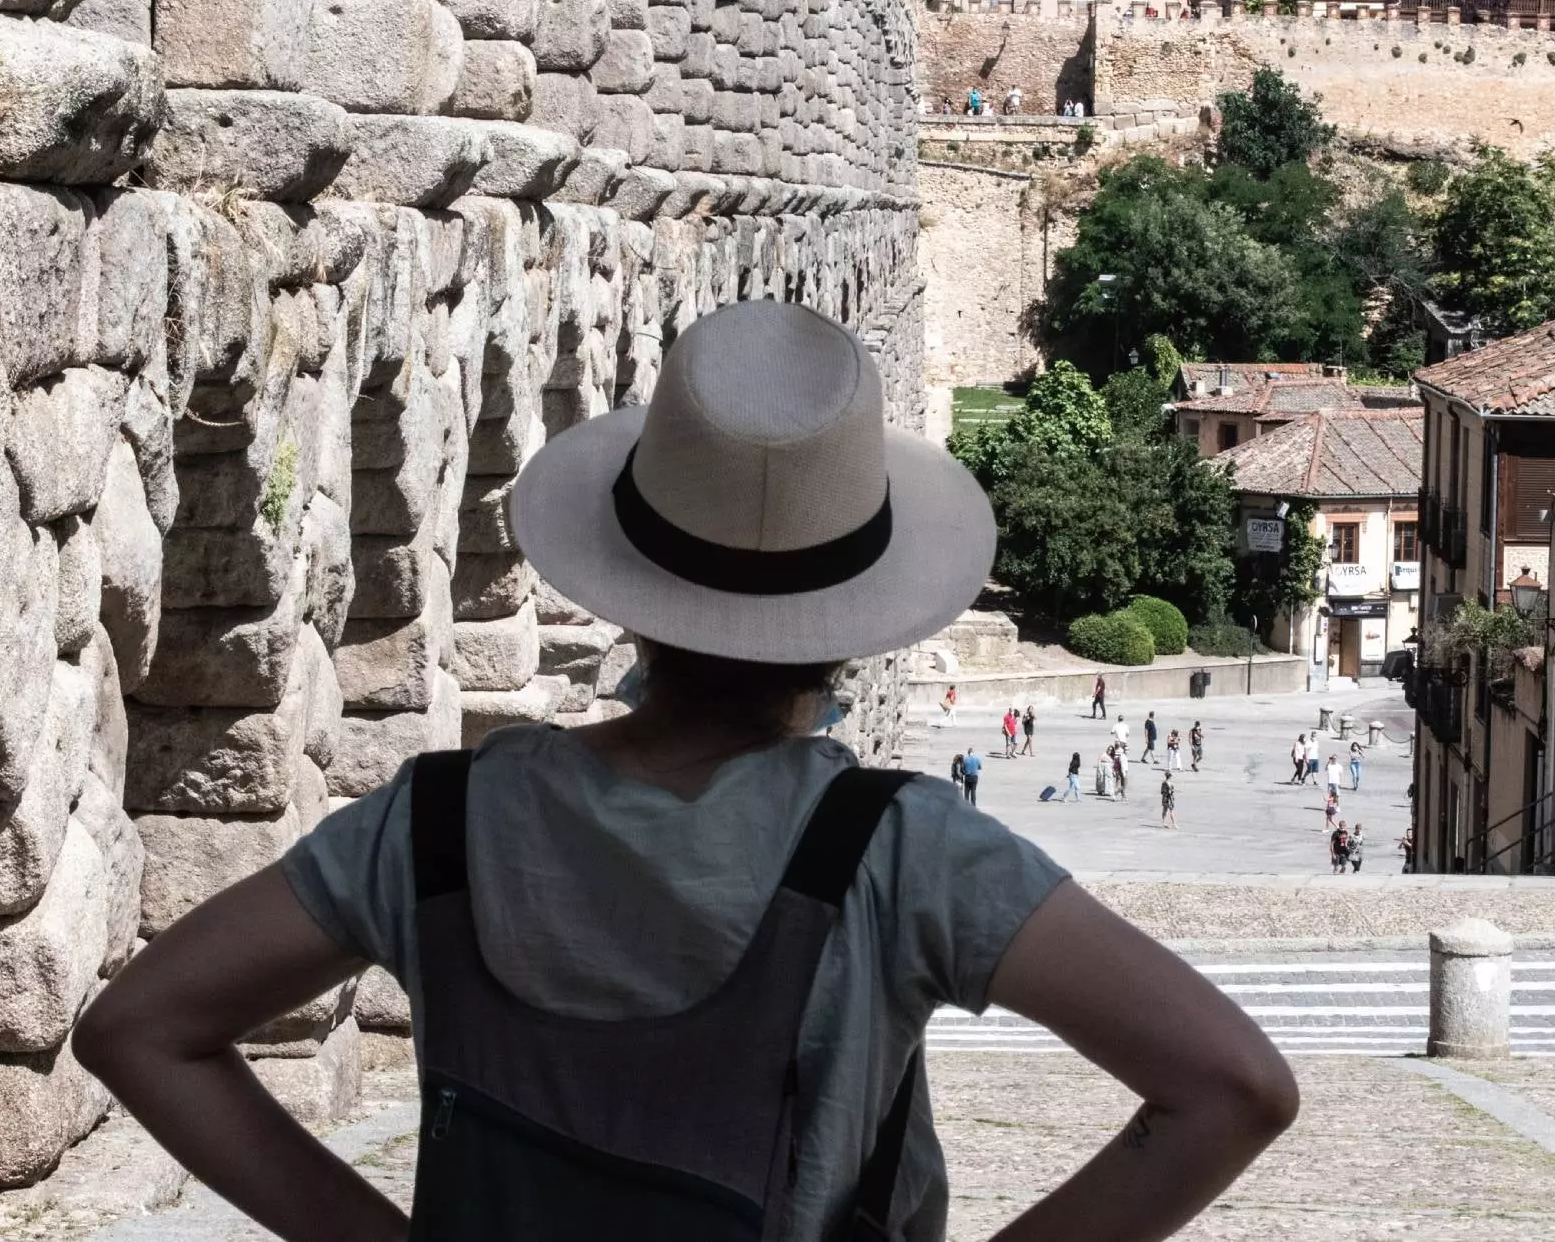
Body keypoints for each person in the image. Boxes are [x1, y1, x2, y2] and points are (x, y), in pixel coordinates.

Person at [71, 301, 1297, 1242]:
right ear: (848, 624)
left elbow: (142, 1029)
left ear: (629, 596)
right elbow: (1231, 1088)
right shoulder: (903, 850)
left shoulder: (438, 820)